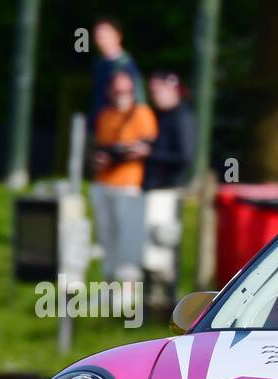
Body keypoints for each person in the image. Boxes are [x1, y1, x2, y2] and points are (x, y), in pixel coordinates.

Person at [92, 70, 157, 284]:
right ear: (110, 91)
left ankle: (129, 292)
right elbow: (101, 146)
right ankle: (109, 285)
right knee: (106, 237)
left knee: (128, 239)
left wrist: (125, 154)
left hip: (129, 184)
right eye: (118, 89)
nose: (122, 94)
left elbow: (146, 147)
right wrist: (102, 157)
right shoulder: (105, 115)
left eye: (126, 90)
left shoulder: (142, 114)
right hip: (104, 182)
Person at [142, 71, 195, 307]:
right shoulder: (161, 117)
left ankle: (167, 301)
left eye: (159, 90)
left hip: (167, 190)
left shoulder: (181, 117)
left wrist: (150, 154)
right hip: (155, 188)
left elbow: (184, 156)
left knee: (162, 249)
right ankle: (155, 301)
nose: (155, 96)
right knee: (151, 249)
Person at [90, 16, 145, 132]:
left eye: (104, 36)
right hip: (102, 125)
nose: (100, 40)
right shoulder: (99, 63)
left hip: (120, 129)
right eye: (98, 36)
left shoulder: (125, 64)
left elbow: (136, 100)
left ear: (117, 36)